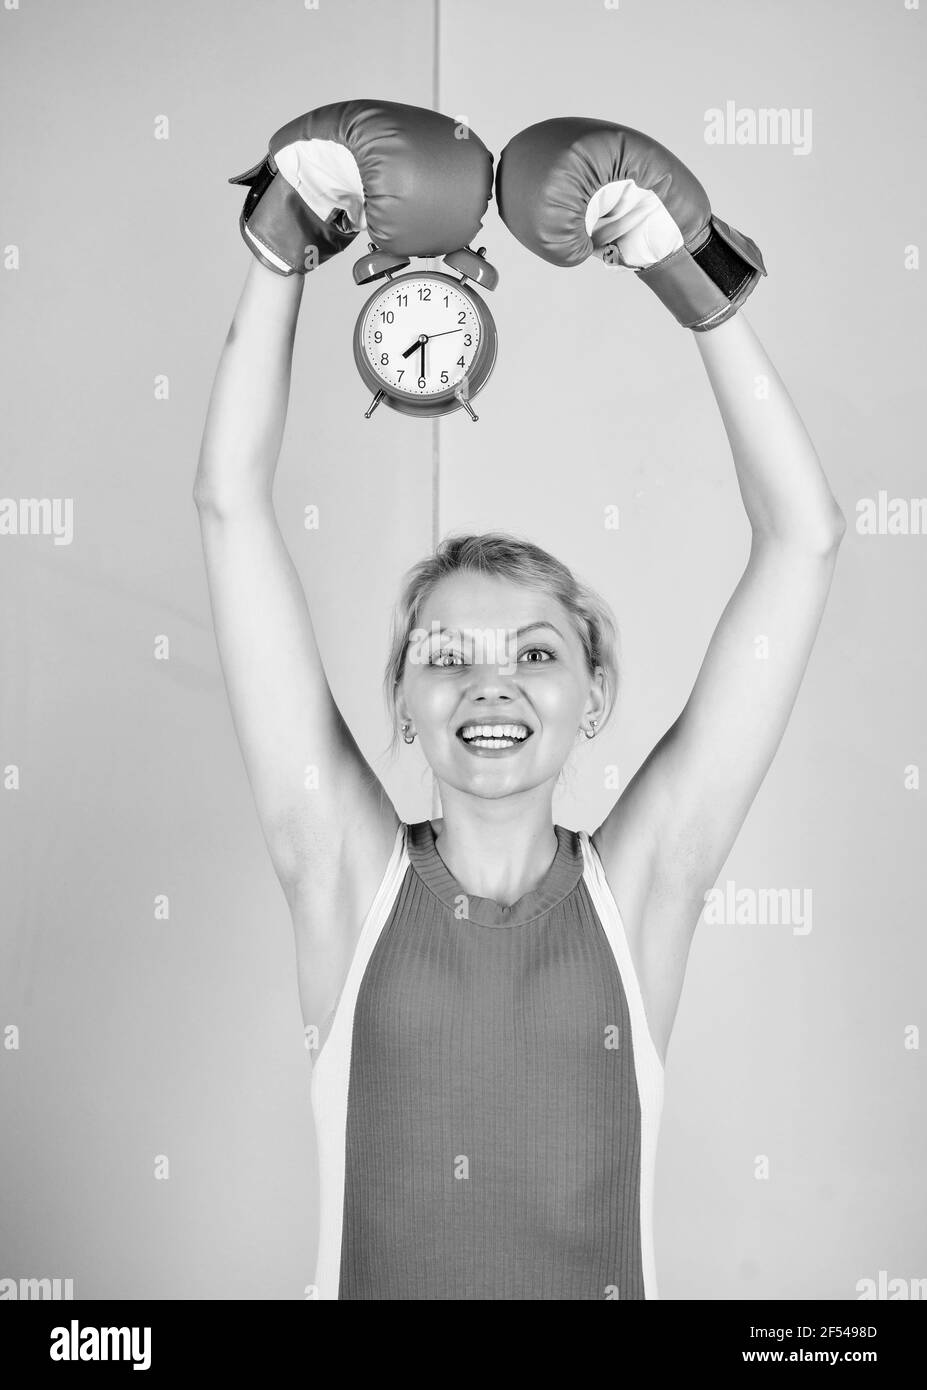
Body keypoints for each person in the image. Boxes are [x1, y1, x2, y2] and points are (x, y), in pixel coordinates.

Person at [195, 104, 845, 1300]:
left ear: (595, 695)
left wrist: (683, 265)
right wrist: (281, 230)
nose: (490, 681)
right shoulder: (341, 873)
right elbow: (232, 505)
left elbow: (804, 539)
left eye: (535, 653)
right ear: (399, 700)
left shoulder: (643, 886)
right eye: (446, 656)